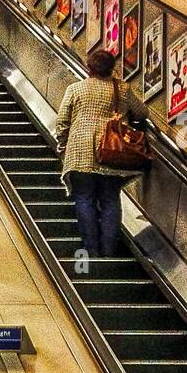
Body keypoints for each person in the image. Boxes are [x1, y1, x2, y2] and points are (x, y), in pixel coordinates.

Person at [54, 48, 147, 258]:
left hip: (80, 153)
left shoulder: (75, 89)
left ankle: (91, 250)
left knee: (84, 199)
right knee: (110, 199)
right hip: (113, 152)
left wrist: (62, 145)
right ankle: (109, 251)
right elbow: (143, 113)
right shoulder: (122, 89)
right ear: (112, 69)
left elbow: (62, 122)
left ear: (89, 68)